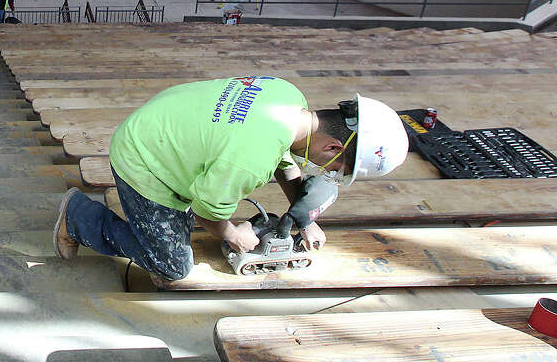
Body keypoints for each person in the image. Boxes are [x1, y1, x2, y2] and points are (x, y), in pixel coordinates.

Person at [53, 79, 409, 283]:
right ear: (333, 146)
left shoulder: (289, 99)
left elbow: (285, 161)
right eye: (337, 167)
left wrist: (303, 217)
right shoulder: (250, 159)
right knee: (173, 266)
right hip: (143, 160)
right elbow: (210, 213)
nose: (330, 172)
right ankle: (79, 217)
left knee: (191, 217)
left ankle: (154, 230)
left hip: (162, 127)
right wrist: (232, 234)